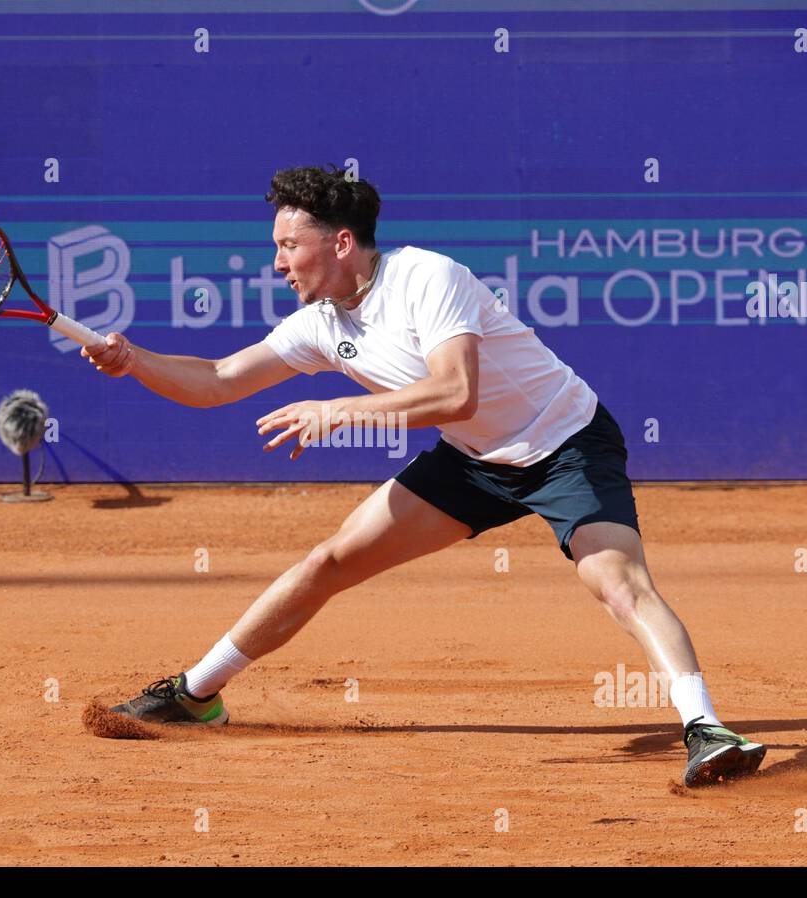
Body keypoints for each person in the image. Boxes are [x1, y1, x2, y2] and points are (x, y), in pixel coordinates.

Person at [81, 164, 766, 787]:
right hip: (472, 462)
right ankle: (197, 694)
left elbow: (455, 394)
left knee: (616, 584)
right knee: (330, 560)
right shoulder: (320, 324)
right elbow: (220, 380)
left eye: (290, 245)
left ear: (341, 243)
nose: (278, 261)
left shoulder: (427, 279)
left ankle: (704, 726)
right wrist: (135, 360)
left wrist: (341, 409)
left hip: (565, 446)